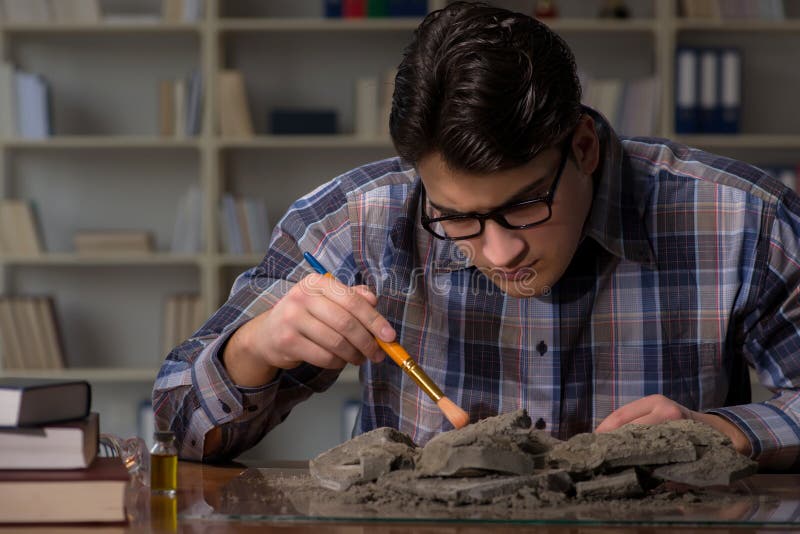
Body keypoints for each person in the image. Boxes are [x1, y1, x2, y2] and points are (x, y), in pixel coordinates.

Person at [153, 2, 800, 470]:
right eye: (457, 218)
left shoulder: (742, 218)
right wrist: (256, 350)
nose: (500, 252)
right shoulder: (356, 222)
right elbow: (174, 426)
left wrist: (723, 431)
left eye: (524, 206)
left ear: (582, 147)